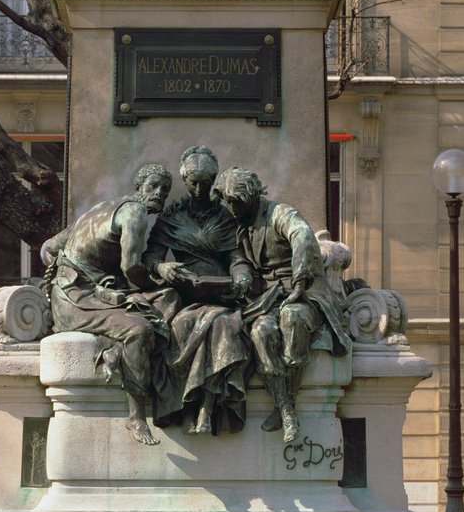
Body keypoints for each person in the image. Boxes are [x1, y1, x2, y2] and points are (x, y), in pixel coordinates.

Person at [40, 163, 176, 446]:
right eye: (153, 186)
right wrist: (157, 280)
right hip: (75, 301)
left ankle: (115, 352)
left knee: (162, 301)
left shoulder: (103, 208)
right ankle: (136, 415)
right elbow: (132, 266)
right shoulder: (135, 213)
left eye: (165, 189)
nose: (159, 193)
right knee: (139, 330)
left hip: (80, 294)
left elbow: (49, 247)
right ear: (139, 188)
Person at [213, 167, 351, 444]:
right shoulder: (237, 222)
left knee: (293, 318)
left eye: (237, 201)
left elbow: (301, 234)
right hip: (266, 297)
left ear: (253, 196)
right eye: (228, 201)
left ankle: (286, 402)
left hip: (304, 291)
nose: (232, 207)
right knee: (261, 332)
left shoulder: (279, 213)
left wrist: (300, 280)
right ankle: (286, 408)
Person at [145, 145, 252, 435]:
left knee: (224, 326)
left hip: (221, 295)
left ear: (214, 180)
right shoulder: (171, 217)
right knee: (181, 327)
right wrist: (163, 268)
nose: (199, 188)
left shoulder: (225, 218)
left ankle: (207, 409)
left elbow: (237, 258)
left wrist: (241, 277)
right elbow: (151, 256)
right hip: (184, 295)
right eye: (194, 182)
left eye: (206, 182)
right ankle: (186, 405)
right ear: (184, 180)